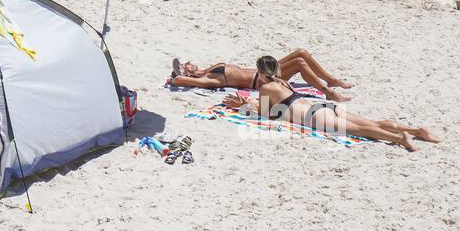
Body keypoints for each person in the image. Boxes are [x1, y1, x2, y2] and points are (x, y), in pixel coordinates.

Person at [222, 56, 439, 151]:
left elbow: (269, 114)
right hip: (319, 108)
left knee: (362, 130)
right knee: (371, 122)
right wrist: (248, 102)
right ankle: (417, 130)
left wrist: (243, 106)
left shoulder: (266, 88)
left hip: (313, 117)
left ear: (260, 73)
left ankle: (399, 139)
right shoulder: (281, 82)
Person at [169, 48, 353, 101]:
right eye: (187, 65)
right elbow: (177, 80)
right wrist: (181, 77)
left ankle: (332, 80)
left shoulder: (207, 71)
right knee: (299, 63)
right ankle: (328, 92)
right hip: (262, 80)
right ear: (189, 72)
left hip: (262, 72)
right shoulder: (207, 80)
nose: (189, 62)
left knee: (301, 53)